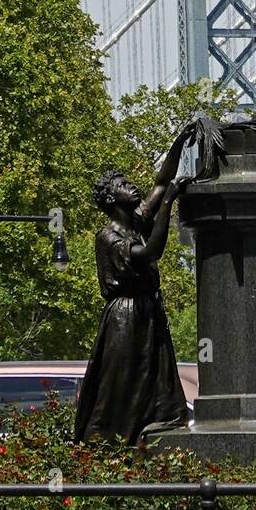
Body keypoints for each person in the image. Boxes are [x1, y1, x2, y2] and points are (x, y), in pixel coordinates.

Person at [74, 122, 196, 445]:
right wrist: (169, 203)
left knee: (157, 387)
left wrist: (180, 139)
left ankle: (151, 447)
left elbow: (161, 180)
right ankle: (106, 449)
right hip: (125, 319)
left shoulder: (136, 221)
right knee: (123, 385)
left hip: (147, 313)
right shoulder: (109, 236)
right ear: (111, 198)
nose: (130, 185)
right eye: (122, 184)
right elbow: (151, 252)